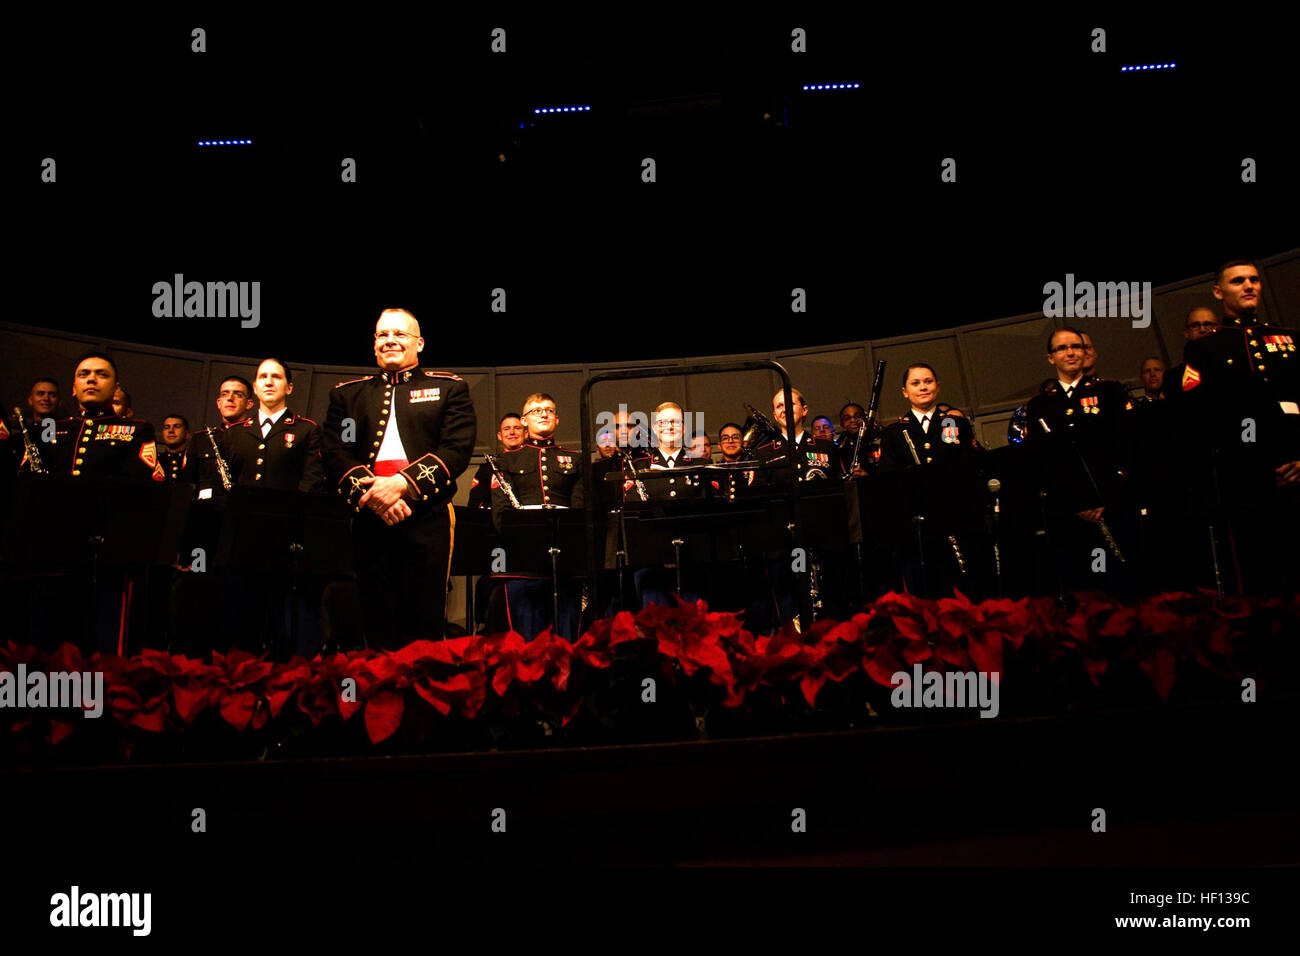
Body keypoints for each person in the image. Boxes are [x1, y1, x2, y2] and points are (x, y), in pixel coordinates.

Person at [322, 309, 476, 648]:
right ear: (374, 344)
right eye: (382, 335)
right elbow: (334, 452)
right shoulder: (347, 395)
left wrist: (403, 485)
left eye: (399, 334)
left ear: (419, 343)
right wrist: (375, 497)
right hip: (367, 516)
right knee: (375, 617)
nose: (389, 340)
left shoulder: (449, 388)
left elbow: (457, 448)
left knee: (424, 620)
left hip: (427, 516)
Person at [1175, 260, 1299, 593]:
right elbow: (1202, 418)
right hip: (1247, 478)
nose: (1249, 286)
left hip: (1298, 468)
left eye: (1254, 280)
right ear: (1219, 291)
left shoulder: (1289, 339)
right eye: (1238, 281)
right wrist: (1255, 465)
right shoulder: (1204, 349)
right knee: (1262, 576)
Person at [1025, 328, 1134, 595]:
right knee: (1082, 588)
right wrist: (1076, 501)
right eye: (1062, 348)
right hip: (1067, 512)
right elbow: (1041, 462)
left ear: (1086, 352)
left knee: (1124, 583)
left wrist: (1103, 497)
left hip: (1111, 504)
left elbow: (1127, 444)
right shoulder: (1039, 405)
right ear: (1050, 358)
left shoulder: (1110, 391)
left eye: (1076, 346)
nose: (1070, 352)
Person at [876, 363, 983, 597]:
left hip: (955, 520)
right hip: (916, 529)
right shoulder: (894, 432)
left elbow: (971, 470)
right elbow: (889, 480)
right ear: (904, 391)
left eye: (928, 381)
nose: (923, 387)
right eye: (915, 383)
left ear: (937, 386)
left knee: (965, 591)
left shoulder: (955, 424)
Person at [486, 393, 584, 639]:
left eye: (549, 410)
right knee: (525, 644)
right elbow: (500, 514)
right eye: (536, 410)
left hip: (565, 562)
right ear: (524, 421)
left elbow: (581, 512)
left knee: (569, 642)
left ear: (557, 419)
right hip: (523, 563)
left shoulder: (576, 459)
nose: (543, 414)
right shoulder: (504, 460)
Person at [220, 358, 323, 492]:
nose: (269, 382)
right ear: (255, 388)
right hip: (240, 511)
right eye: (263, 377)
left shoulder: (307, 430)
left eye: (276, 377)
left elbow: (311, 483)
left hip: (287, 511)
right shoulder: (234, 432)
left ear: (289, 388)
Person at [181, 375, 255, 496]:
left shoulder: (256, 438)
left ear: (249, 404)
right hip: (206, 509)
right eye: (225, 394)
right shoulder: (200, 439)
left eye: (238, 394)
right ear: (219, 403)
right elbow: (187, 483)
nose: (230, 398)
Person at [466, 413, 526, 509]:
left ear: (526, 434)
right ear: (499, 436)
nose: (512, 432)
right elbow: (474, 504)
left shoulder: (534, 463)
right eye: (506, 429)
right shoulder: (487, 468)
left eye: (517, 428)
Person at [156, 414, 190, 482]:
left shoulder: (191, 461)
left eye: (177, 427)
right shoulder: (156, 462)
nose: (171, 431)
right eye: (166, 427)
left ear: (187, 434)